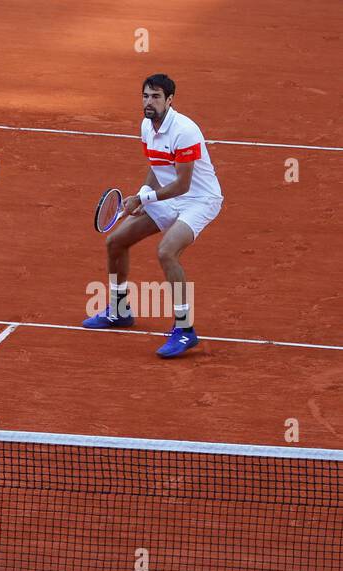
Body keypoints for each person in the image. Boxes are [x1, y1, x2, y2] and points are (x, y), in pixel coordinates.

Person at [84, 74, 223, 358]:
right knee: (116, 242)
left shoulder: (185, 131)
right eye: (146, 96)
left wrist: (143, 199)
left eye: (156, 96)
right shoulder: (147, 126)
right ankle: (119, 310)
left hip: (199, 200)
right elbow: (158, 169)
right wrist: (143, 193)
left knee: (167, 252)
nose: (149, 102)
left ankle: (185, 330)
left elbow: (183, 185)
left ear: (170, 100)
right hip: (168, 198)